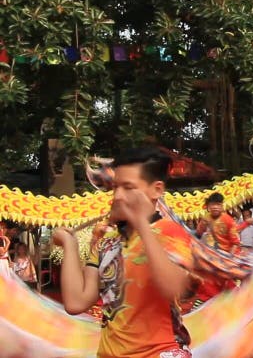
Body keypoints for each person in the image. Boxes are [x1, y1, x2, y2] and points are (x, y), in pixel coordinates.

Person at [52, 147, 196, 358]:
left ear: (156, 190)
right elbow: (76, 302)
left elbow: (174, 288)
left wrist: (141, 223)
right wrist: (69, 245)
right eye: (115, 187)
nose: (118, 196)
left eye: (128, 187)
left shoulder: (170, 232)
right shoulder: (106, 242)